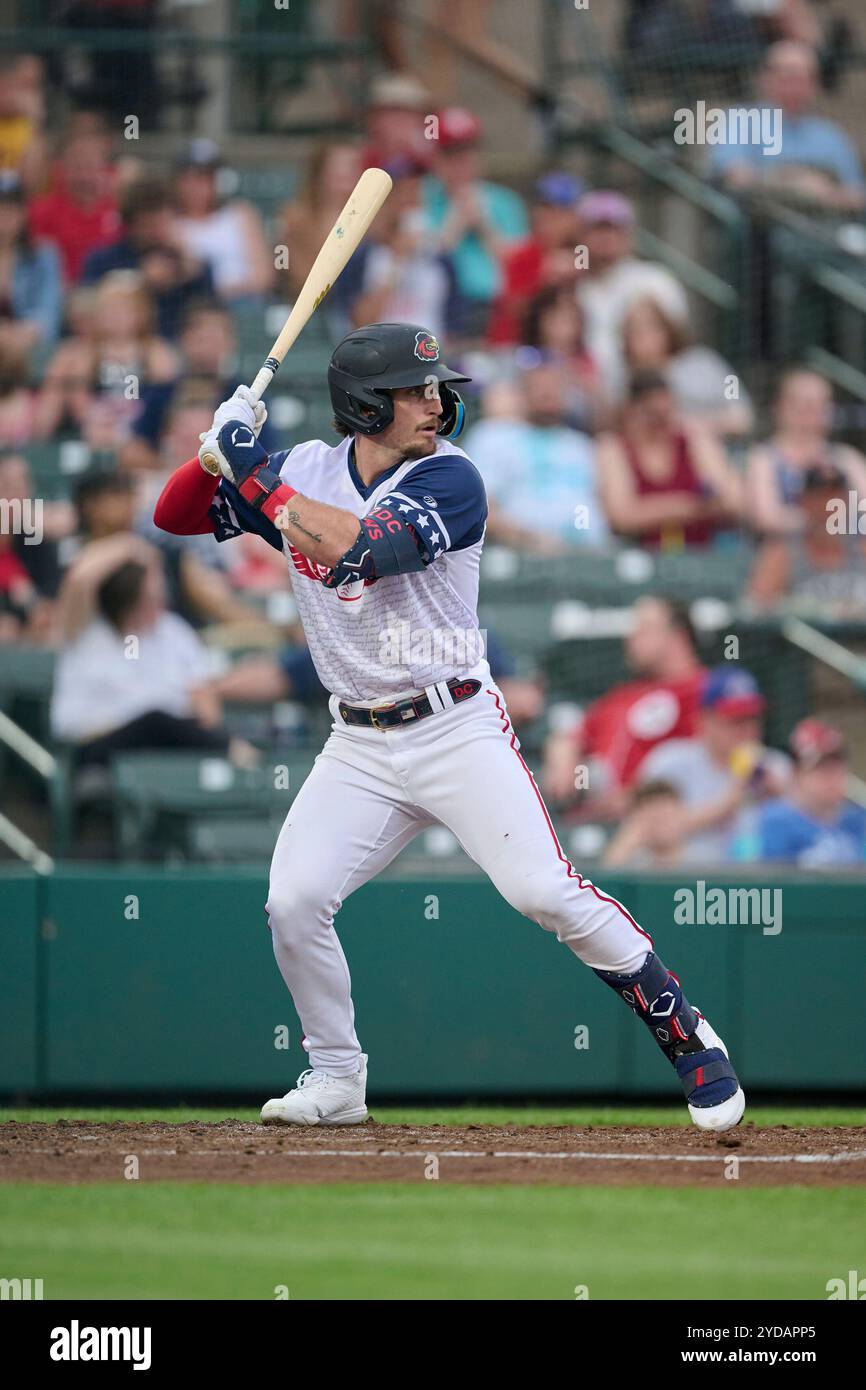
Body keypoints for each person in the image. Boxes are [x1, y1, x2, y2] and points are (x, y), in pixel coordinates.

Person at [154, 319, 745, 1132]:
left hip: (454, 725)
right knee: (292, 901)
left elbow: (357, 549)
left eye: (436, 388)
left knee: (543, 890)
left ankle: (687, 1034)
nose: (434, 402)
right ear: (364, 405)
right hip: (358, 740)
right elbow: (175, 513)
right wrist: (214, 448)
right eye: (412, 391)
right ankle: (336, 1075)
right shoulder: (302, 468)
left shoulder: (451, 477)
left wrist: (250, 472)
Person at [50, 534, 242, 770]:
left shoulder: (175, 632)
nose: (159, 586)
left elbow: (207, 714)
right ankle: (240, 755)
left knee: (162, 725)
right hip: (99, 750)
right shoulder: (84, 630)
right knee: (154, 721)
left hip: (170, 751)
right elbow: (79, 578)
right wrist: (132, 546)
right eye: (149, 578)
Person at [542, 595, 706, 815]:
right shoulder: (623, 696)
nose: (632, 637)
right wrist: (564, 759)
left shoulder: (703, 690)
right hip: (589, 816)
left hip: (654, 823)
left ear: (678, 635)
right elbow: (570, 737)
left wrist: (633, 798)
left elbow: (705, 766)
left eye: (645, 628)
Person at [637, 666, 789, 863]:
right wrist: (727, 803)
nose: (747, 730)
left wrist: (783, 801)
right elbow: (649, 830)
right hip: (683, 886)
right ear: (705, 721)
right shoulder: (670, 762)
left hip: (760, 887)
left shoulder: (774, 766)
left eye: (753, 719)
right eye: (736, 721)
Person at [706, 40, 865, 212]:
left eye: (802, 79)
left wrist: (826, 194)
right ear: (765, 79)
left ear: (814, 85)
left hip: (824, 227)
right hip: (760, 227)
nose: (794, 88)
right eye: (786, 77)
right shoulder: (740, 120)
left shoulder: (830, 136)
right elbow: (734, 177)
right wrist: (792, 183)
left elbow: (857, 195)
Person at [464, 362, 607, 551]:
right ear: (521, 393)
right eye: (539, 386)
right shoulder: (494, 436)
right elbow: (476, 506)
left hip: (588, 554)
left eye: (555, 386)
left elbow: (598, 505)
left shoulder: (581, 445)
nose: (547, 393)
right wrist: (528, 538)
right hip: (519, 553)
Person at [597, 371, 744, 548]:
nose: (662, 423)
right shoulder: (612, 447)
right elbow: (622, 516)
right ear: (630, 411)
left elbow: (731, 500)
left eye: (667, 413)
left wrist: (653, 510)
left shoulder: (693, 440)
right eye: (653, 415)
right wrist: (695, 506)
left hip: (701, 552)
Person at [34, 270, 178, 448]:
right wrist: (93, 420)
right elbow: (79, 395)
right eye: (109, 309)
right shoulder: (85, 352)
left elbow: (161, 397)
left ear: (141, 314)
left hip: (139, 429)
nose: (115, 316)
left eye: (124, 309)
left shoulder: (154, 351)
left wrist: (135, 429)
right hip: (96, 426)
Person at [423, 108, 528, 337]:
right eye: (452, 153)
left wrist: (484, 225)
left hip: (494, 309)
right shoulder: (423, 196)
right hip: (437, 311)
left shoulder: (505, 202)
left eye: (468, 151)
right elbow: (419, 262)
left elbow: (520, 268)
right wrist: (453, 226)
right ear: (437, 158)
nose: (462, 162)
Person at [575, 191, 689, 399]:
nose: (606, 238)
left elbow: (677, 347)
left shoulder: (655, 281)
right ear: (582, 235)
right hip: (587, 398)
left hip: (649, 392)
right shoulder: (572, 288)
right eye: (598, 229)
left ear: (629, 234)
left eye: (615, 229)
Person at [81, 176, 213, 340]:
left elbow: (210, 311)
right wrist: (140, 281)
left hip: (178, 348)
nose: (158, 232)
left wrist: (191, 272)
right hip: (119, 345)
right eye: (149, 225)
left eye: (163, 222)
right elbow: (85, 309)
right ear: (132, 225)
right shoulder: (103, 259)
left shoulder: (186, 260)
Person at [746, 368, 866, 535]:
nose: (814, 414)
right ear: (781, 407)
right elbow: (766, 518)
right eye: (806, 405)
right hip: (784, 555)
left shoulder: (844, 458)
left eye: (822, 405)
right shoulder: (764, 458)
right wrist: (825, 518)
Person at [621, 296, 753, 438]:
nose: (645, 338)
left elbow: (742, 415)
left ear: (667, 329)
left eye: (652, 327)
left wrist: (700, 425)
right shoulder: (625, 383)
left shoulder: (705, 363)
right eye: (636, 332)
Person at [747, 464, 866, 614]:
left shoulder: (862, 548)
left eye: (836, 497)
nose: (829, 506)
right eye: (820, 497)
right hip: (800, 636)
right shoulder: (782, 553)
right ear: (803, 501)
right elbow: (756, 609)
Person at [487, 171, 584, 347]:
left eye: (560, 210)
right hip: (519, 347)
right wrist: (543, 279)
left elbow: (587, 277)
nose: (548, 217)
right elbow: (513, 311)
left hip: (572, 349)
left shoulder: (580, 250)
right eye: (544, 207)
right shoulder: (523, 254)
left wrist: (573, 271)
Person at [750, 719, 865, 866]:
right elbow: (774, 884)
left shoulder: (857, 818)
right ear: (797, 773)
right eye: (821, 769)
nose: (832, 777)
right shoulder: (776, 821)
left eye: (836, 767)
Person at [172, 140, 272, 303]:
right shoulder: (170, 224)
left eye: (203, 179)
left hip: (244, 303)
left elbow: (264, 277)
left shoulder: (241, 214)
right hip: (194, 307)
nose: (195, 188)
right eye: (188, 179)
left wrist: (227, 290)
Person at [28, 130, 121, 284]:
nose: (84, 177)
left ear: (106, 170)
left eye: (91, 167)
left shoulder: (120, 211)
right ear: (62, 169)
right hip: (59, 294)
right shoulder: (40, 212)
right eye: (77, 167)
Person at [275, 143, 363, 302]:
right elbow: (282, 265)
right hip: (307, 304)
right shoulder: (293, 217)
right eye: (337, 174)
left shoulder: (375, 219)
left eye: (352, 171)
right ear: (319, 175)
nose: (345, 181)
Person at [0, 170, 63, 359]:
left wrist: (21, 334)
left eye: (10, 210)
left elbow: (48, 314)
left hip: (29, 348)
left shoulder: (44, 256)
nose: (4, 218)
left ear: (23, 214)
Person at [602, 779, 687, 868]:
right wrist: (627, 842)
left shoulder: (700, 860)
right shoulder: (634, 863)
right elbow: (606, 874)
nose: (662, 826)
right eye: (654, 818)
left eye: (667, 817)